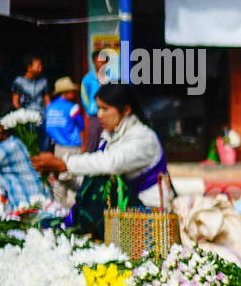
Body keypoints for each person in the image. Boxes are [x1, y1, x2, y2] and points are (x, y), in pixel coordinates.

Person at [30, 83, 170, 239]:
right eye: (98, 108)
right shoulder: (111, 134)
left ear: (126, 110)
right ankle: (78, 224)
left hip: (150, 212)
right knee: (95, 174)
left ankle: (75, 226)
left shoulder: (143, 137)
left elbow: (111, 163)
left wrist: (64, 164)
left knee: (106, 177)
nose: (99, 115)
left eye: (105, 109)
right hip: (126, 207)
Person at [43, 76, 86, 208]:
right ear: (66, 93)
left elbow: (48, 128)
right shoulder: (73, 108)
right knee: (75, 177)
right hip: (72, 148)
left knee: (59, 179)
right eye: (72, 92)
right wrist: (83, 146)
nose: (74, 94)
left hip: (57, 148)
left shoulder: (50, 107)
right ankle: (78, 207)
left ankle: (59, 207)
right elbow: (81, 126)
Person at [80, 47, 118, 152]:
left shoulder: (112, 78)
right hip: (94, 114)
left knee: (108, 138)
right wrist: (89, 108)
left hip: (109, 112)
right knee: (93, 138)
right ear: (94, 62)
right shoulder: (88, 78)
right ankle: (90, 161)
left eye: (103, 62)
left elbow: (115, 93)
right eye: (98, 62)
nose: (100, 64)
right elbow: (84, 96)